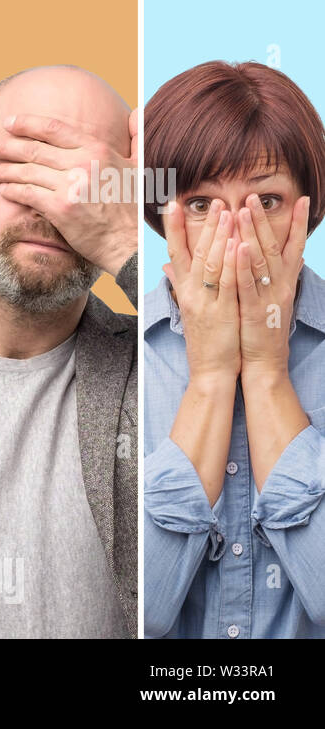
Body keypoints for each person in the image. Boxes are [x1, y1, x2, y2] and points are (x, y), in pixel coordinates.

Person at [142, 61, 325, 639]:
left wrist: (269, 372)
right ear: (164, 217)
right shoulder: (116, 354)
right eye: (201, 205)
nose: (236, 235)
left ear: (308, 207)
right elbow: (134, 613)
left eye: (266, 201)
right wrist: (211, 379)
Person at [0, 65, 138, 638]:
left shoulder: (157, 366)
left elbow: (228, 364)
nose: (52, 205)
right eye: (24, 166)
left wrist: (123, 243)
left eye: (85, 181)